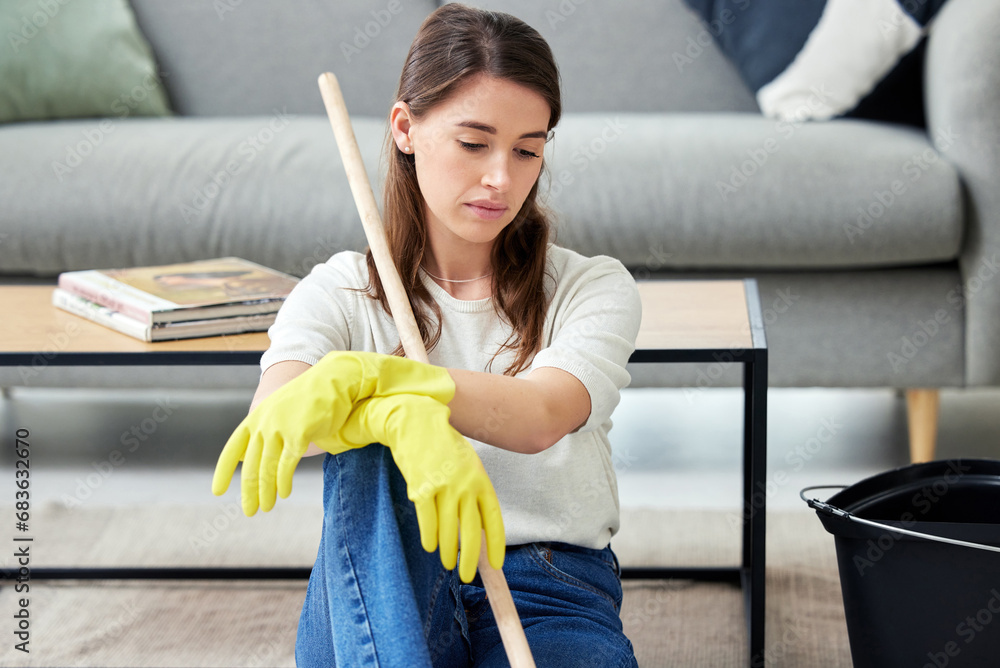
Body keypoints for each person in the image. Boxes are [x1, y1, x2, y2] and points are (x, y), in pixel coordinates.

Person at [212, 4, 642, 666]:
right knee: (369, 450)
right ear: (405, 128)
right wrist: (400, 423)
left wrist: (383, 382)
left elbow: (542, 415)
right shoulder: (337, 291)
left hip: (547, 582)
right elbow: (279, 417)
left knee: (368, 408)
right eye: (474, 143)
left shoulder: (592, 287)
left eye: (528, 150)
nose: (503, 178)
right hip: (391, 586)